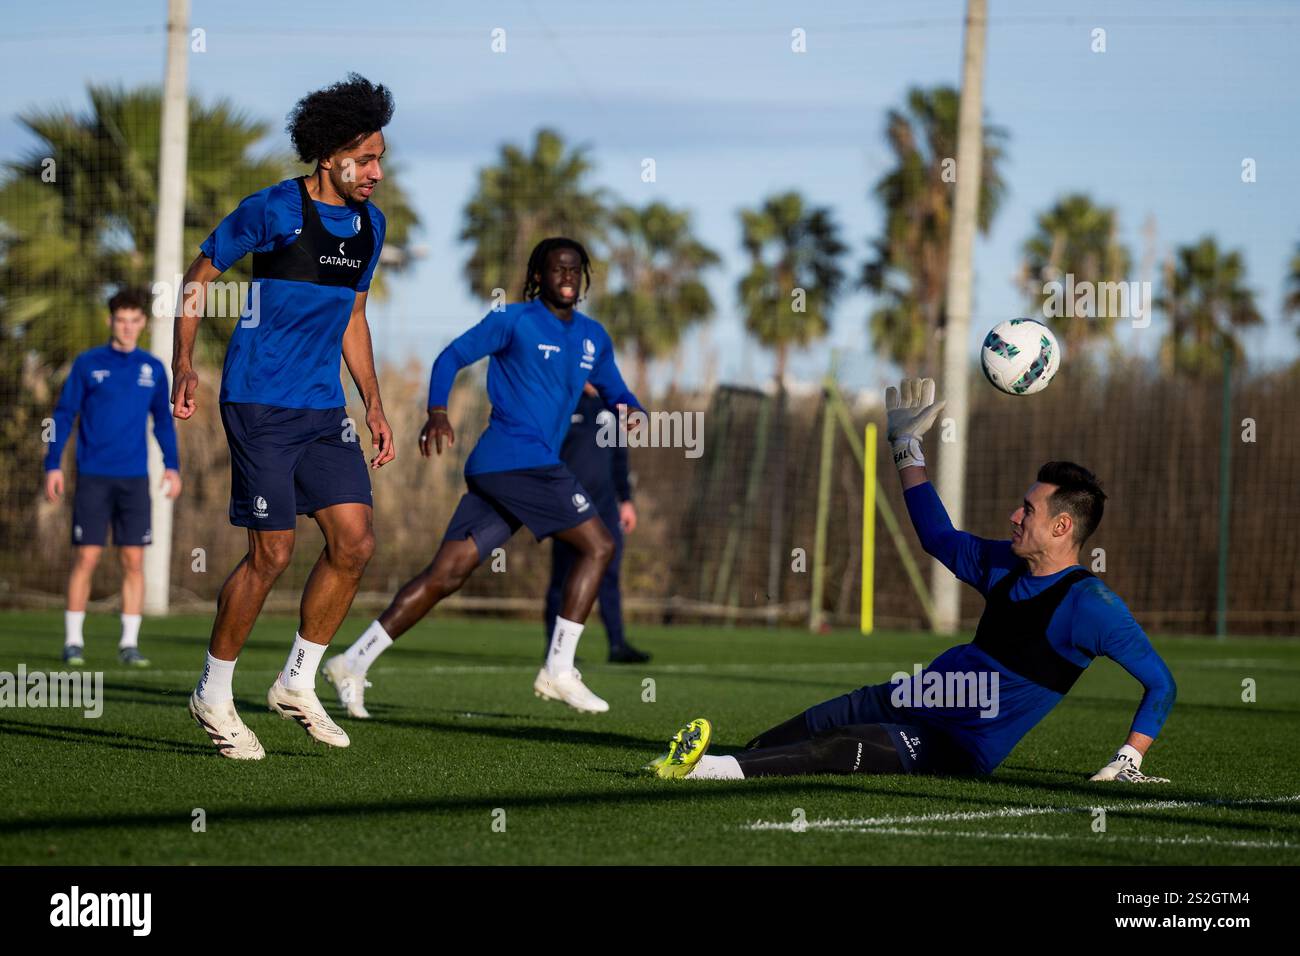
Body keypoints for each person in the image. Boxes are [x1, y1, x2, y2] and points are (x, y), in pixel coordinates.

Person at [647, 378, 1176, 785]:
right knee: (826, 716)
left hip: (958, 745)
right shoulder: (1005, 564)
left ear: (1062, 527)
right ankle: (727, 760)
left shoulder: (1092, 605)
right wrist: (906, 445)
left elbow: (1161, 682)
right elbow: (937, 536)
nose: (1015, 515)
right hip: (918, 694)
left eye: (1028, 509)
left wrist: (1128, 758)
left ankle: (700, 771)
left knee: (843, 746)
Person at [172, 74, 394, 760]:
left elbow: (353, 316)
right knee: (271, 553)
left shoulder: (369, 227)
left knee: (354, 543)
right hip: (259, 401)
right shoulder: (274, 209)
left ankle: (297, 683)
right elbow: (195, 280)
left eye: (382, 159)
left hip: (324, 409)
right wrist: (184, 362)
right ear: (329, 156)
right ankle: (213, 690)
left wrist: (374, 402)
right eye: (367, 159)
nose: (377, 174)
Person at [326, 238, 642, 718]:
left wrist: (631, 409)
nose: (567, 276)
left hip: (507, 473)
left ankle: (352, 661)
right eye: (557, 268)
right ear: (538, 275)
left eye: (576, 269)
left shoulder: (594, 336)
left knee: (445, 575)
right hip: (520, 460)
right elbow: (450, 356)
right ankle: (558, 669)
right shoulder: (512, 320)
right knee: (599, 545)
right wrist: (437, 411)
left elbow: (615, 387)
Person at [44, 289, 182, 668]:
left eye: (135, 320)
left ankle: (129, 644)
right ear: (110, 321)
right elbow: (62, 415)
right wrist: (52, 463)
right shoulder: (88, 364)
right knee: (86, 557)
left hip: (134, 480)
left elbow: (164, 424)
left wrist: (173, 465)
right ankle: (73, 641)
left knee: (133, 560)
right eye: (121, 319)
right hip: (92, 477)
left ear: (143, 323)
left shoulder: (153, 369)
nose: (127, 327)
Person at [544, 382, 650, 664]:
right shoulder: (563, 403)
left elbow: (619, 460)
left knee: (610, 575)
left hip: (605, 508)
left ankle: (617, 645)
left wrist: (626, 501)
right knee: (563, 577)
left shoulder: (610, 408)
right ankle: (555, 649)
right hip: (568, 505)